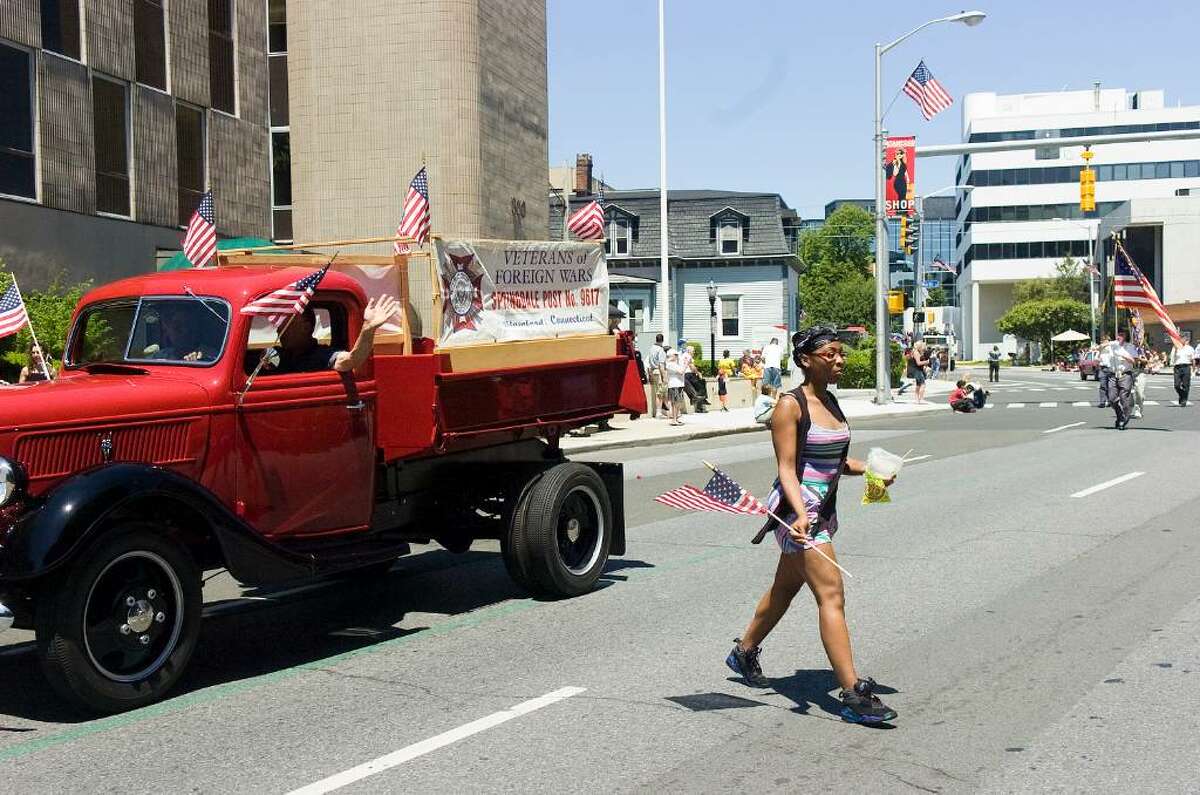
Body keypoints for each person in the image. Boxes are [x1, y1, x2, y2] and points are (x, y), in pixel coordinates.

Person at [726, 325, 899, 725]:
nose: (840, 360)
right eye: (831, 354)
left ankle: (744, 651)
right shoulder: (790, 405)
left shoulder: (832, 402)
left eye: (841, 353)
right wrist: (800, 512)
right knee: (831, 594)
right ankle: (853, 692)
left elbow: (835, 463)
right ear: (806, 360)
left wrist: (873, 474)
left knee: (785, 589)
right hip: (797, 514)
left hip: (822, 511)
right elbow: (787, 468)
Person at [271, 295, 401, 375]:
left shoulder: (321, 355)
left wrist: (368, 329)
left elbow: (350, 360)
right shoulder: (283, 355)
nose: (279, 331)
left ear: (306, 327)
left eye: (286, 324)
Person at [1105, 331, 1138, 430]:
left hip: (1125, 374)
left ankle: (1125, 418)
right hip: (1113, 374)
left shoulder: (1129, 347)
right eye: (1118, 335)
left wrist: (1124, 355)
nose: (1119, 337)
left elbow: (1134, 361)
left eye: (1122, 335)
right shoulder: (1112, 346)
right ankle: (1120, 415)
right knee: (1111, 398)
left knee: (1124, 397)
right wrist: (1104, 344)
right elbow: (1100, 347)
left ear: (1126, 336)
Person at [664, 349, 687, 426]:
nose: (677, 356)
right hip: (674, 385)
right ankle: (674, 419)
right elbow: (681, 371)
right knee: (675, 403)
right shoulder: (670, 364)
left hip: (679, 384)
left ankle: (676, 418)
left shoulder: (675, 363)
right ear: (672, 355)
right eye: (675, 355)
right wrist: (686, 364)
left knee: (678, 402)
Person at [1170, 337, 1194, 406]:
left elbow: (1193, 359)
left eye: (1183, 340)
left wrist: (1194, 368)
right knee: (1176, 385)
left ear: (1186, 341)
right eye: (1180, 340)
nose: (1181, 341)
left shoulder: (1190, 348)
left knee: (1186, 385)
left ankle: (1184, 400)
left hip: (1186, 367)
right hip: (1177, 367)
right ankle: (1182, 395)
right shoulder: (1175, 348)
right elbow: (1172, 357)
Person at [648, 334, 667, 419]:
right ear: (662, 340)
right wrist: (664, 377)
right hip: (659, 372)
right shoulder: (661, 350)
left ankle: (659, 411)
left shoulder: (651, 349)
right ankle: (659, 412)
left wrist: (650, 375)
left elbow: (648, 363)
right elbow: (661, 364)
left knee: (657, 392)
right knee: (660, 393)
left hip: (653, 371)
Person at [1096, 335, 1113, 408]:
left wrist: (1108, 343)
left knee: (1111, 386)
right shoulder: (1101, 348)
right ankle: (1102, 402)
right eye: (1102, 340)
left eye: (1103, 340)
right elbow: (1097, 352)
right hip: (1102, 368)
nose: (1101, 342)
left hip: (1111, 368)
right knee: (1103, 385)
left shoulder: (1112, 346)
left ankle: (1110, 401)